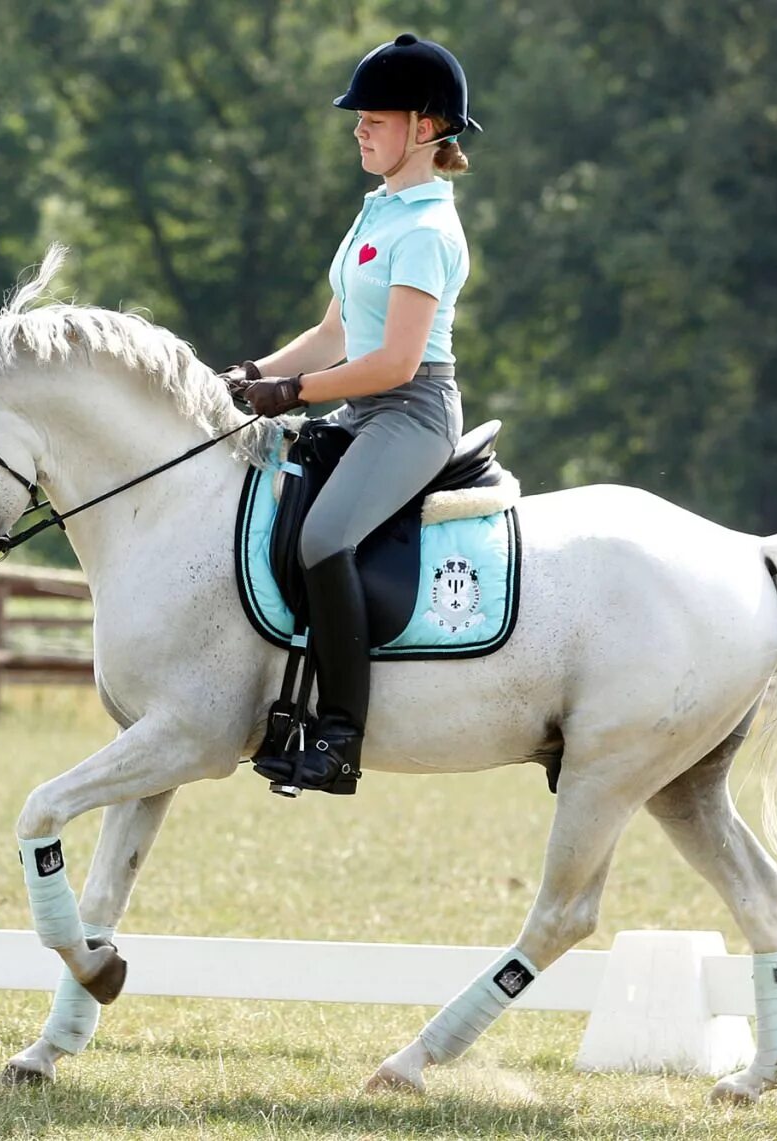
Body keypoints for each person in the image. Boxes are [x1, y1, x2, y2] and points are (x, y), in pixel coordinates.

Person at [227, 33, 482, 796]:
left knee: (326, 534)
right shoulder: (376, 215)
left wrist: (296, 394)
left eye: (376, 116)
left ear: (427, 129)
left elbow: (395, 363)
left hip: (411, 410)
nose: (359, 127)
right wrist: (246, 377)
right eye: (360, 117)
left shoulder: (430, 231)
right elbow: (332, 334)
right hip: (363, 404)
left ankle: (338, 734)